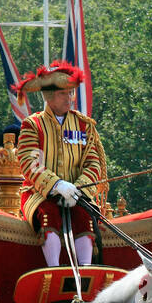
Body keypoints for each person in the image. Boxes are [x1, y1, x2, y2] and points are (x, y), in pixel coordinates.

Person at [14, 61, 104, 268]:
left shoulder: (83, 125)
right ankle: (53, 268)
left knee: (85, 216)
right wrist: (57, 186)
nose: (70, 98)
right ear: (49, 96)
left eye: (71, 93)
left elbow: (93, 162)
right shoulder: (32, 125)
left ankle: (86, 269)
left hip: (77, 193)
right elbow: (30, 163)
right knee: (48, 214)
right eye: (64, 93)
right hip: (40, 193)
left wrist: (78, 189)